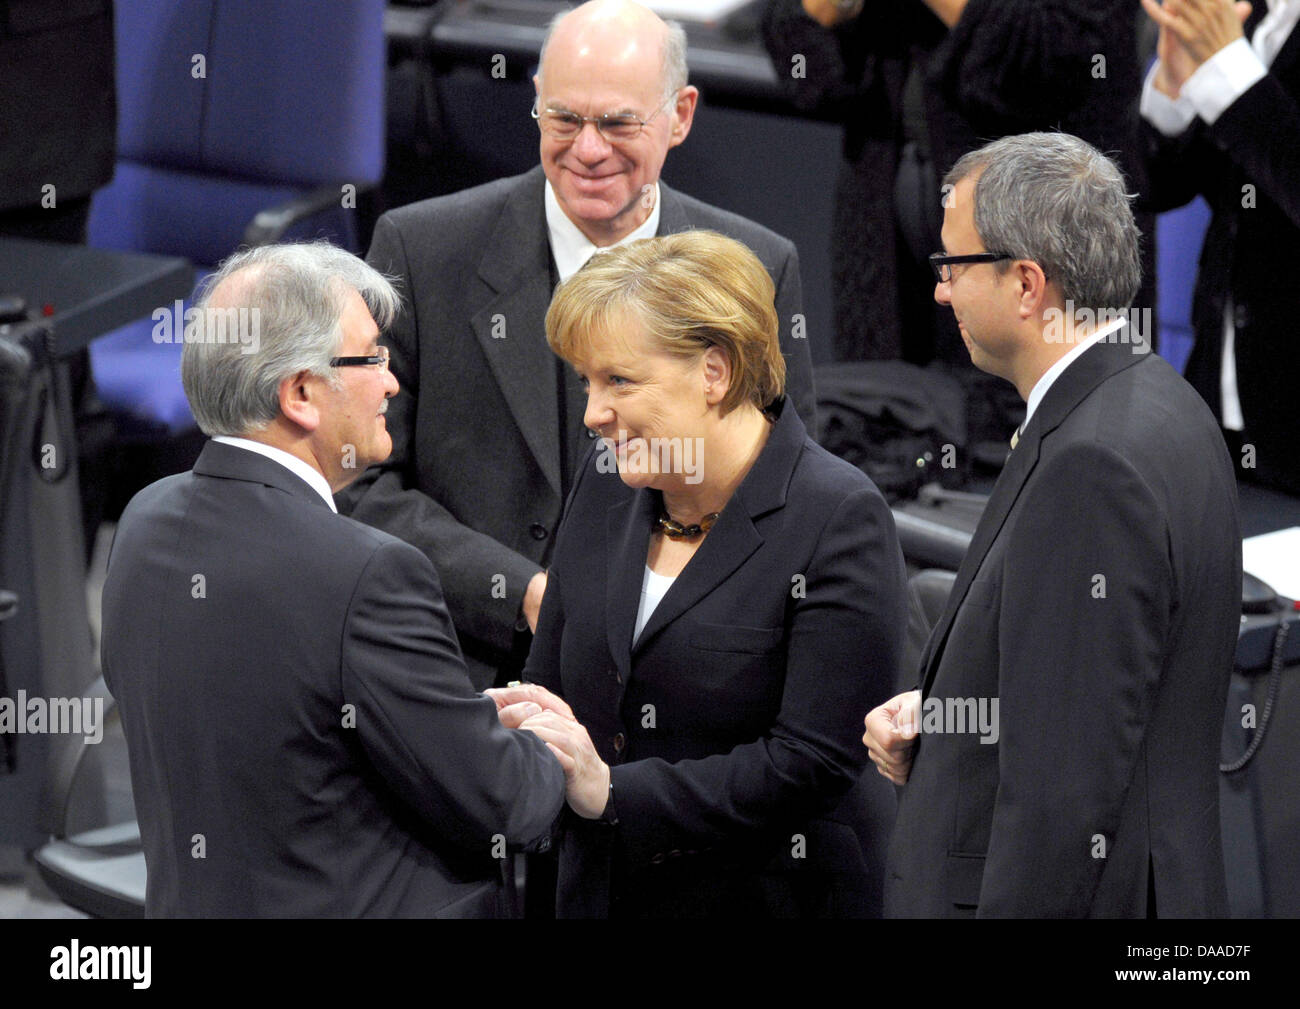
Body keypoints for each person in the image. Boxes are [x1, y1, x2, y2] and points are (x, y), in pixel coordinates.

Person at [339, 0, 817, 691]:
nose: (588, 149)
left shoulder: (758, 267)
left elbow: (787, 496)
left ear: (680, 116)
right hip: (465, 665)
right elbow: (356, 476)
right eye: (563, 119)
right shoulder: (422, 250)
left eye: (619, 122)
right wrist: (522, 595)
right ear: (535, 103)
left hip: (681, 683)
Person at [100, 243, 565, 917]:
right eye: (372, 357)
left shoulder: (143, 519)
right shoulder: (372, 573)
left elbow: (281, 735)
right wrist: (548, 742)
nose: (391, 383)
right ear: (300, 394)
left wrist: (451, 722)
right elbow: (506, 803)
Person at [864, 134, 1241, 917]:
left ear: (1027, 283)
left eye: (953, 266)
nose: (940, 292)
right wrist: (949, 720)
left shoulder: (1091, 466)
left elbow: (1060, 804)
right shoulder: (1161, 402)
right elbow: (1085, 693)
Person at [488, 230, 907, 918]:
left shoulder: (838, 515)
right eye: (588, 382)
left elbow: (809, 763)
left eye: (619, 380)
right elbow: (550, 683)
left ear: (715, 370)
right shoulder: (605, 484)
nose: (594, 413)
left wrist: (615, 794)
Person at [760, 0, 1150, 367]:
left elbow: (1049, 67)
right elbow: (811, 77)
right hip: (881, 241)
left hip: (1036, 234)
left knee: (1024, 422)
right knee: (879, 411)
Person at [1140, 0, 1300, 496]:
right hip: (1222, 404)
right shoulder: (1248, 18)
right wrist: (1174, 89)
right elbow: (1162, 190)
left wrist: (1231, 74)